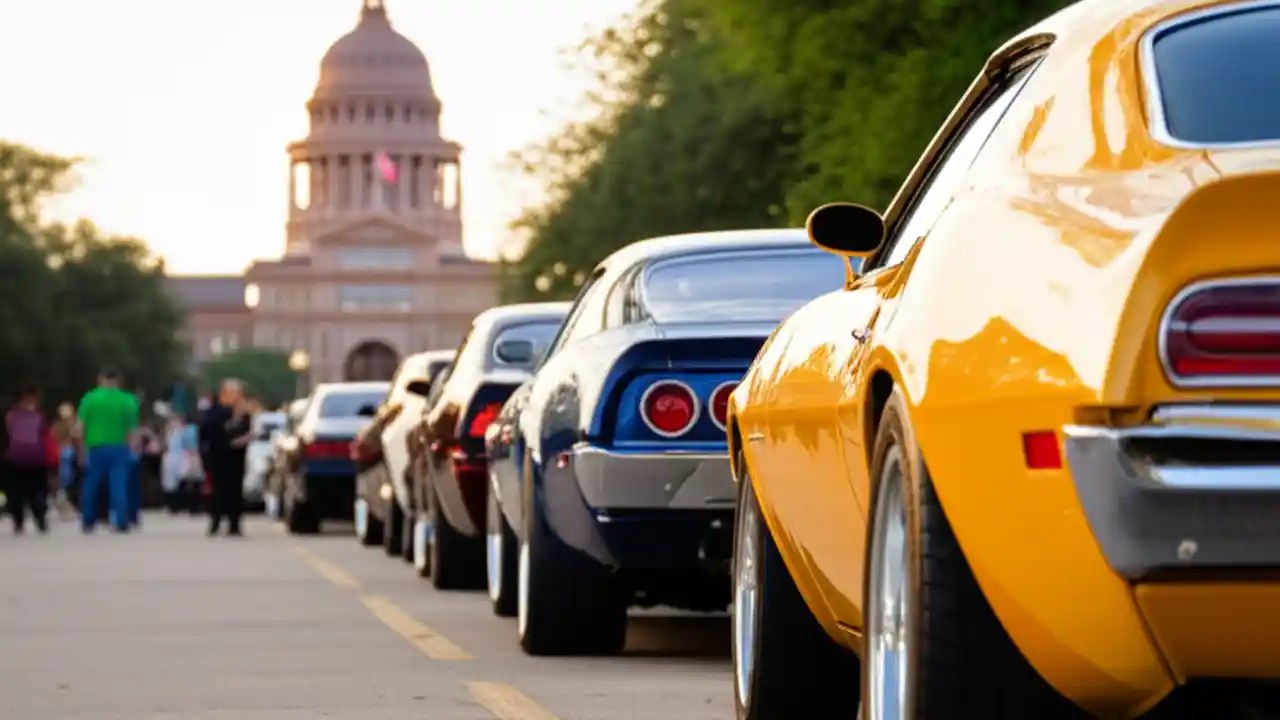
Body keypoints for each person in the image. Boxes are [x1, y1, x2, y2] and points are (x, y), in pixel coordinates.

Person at [78, 367, 139, 533]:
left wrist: (81, 450)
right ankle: (120, 520)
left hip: (95, 447)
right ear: (118, 380)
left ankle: (88, 521)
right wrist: (134, 449)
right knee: (118, 485)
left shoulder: (89, 398)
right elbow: (132, 430)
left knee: (91, 485)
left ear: (100, 379)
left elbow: (80, 427)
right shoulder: (128, 400)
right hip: (119, 448)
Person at [199, 379, 252, 536]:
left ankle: (234, 524)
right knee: (217, 490)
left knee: (235, 491)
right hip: (218, 457)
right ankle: (215, 522)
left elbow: (246, 431)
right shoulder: (214, 412)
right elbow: (207, 433)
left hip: (237, 459)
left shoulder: (243, 413)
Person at [3, 384, 52, 534]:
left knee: (15, 491)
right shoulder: (39, 416)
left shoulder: (10, 415)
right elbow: (45, 435)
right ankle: (40, 517)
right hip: (37, 458)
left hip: (15, 457)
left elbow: (9, 434)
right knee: (39, 490)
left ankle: (18, 521)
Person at [51, 402, 80, 520]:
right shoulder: (59, 426)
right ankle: (64, 494)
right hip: (64, 453)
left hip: (67, 453)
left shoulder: (73, 424)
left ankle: (64, 495)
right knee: (66, 474)